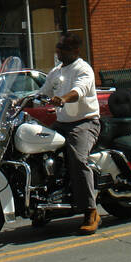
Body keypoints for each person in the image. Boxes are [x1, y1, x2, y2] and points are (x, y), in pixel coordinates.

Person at [40, 33, 101, 235]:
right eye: (58, 47)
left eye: (63, 48)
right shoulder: (56, 72)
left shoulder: (83, 69)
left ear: (75, 51)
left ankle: (90, 211)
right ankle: (43, 205)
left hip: (84, 123)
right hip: (62, 123)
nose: (58, 51)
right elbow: (43, 91)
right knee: (38, 149)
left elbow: (80, 90)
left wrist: (64, 98)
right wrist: (20, 100)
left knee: (77, 158)